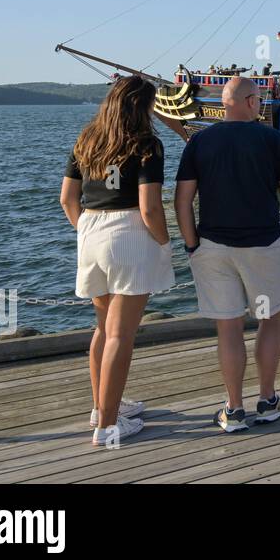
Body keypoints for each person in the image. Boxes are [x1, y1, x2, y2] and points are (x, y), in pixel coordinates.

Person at [174, 76, 280, 432]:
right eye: (258, 99)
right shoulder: (270, 139)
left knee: (228, 328)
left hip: (212, 247)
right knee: (269, 318)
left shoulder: (199, 141)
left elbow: (182, 200)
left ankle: (233, 409)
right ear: (247, 102)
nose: (260, 105)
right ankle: (268, 399)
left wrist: (191, 244)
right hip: (261, 246)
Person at [60, 75, 176, 446]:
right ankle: (108, 427)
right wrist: (164, 242)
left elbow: (67, 199)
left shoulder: (87, 139)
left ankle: (102, 406)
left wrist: (87, 231)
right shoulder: (146, 145)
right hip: (128, 234)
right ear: (142, 107)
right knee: (121, 335)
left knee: (102, 328)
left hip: (90, 231)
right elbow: (150, 207)